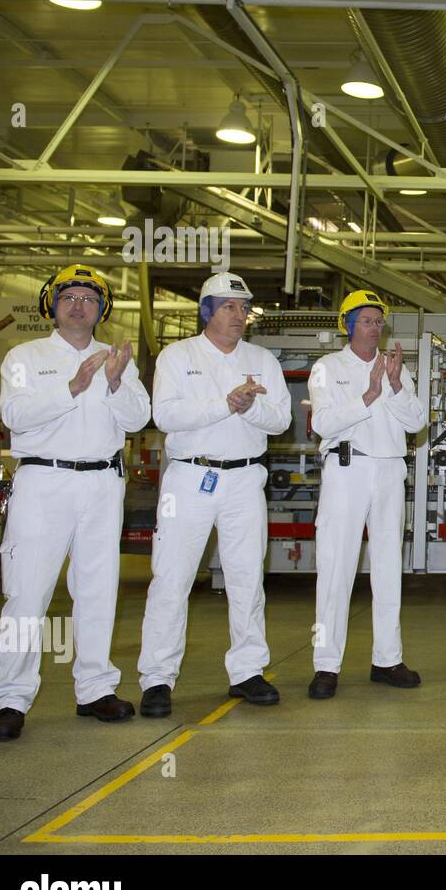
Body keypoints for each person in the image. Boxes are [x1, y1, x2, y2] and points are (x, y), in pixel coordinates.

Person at [0, 265, 150, 741]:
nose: (79, 305)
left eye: (89, 298)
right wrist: (73, 387)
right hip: (44, 482)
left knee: (98, 590)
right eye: (69, 297)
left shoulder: (116, 357)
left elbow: (140, 419)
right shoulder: (24, 355)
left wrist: (116, 384)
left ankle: (95, 689)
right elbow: (15, 415)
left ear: (102, 309)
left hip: (101, 484)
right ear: (51, 305)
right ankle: (11, 699)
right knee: (26, 594)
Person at [137, 272, 290, 716]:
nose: (239, 316)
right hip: (189, 478)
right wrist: (226, 404)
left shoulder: (263, 360)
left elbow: (280, 420)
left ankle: (247, 671)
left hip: (245, 480)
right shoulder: (176, 355)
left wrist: (251, 406)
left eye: (244, 308)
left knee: (246, 578)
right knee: (172, 577)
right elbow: (165, 415)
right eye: (228, 307)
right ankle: (157, 679)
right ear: (206, 311)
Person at [307, 290, 427, 699]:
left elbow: (416, 422)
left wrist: (393, 385)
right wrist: (369, 396)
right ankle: (326, 664)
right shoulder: (327, 367)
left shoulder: (394, 368)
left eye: (379, 321)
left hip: (391, 468)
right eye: (367, 321)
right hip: (347, 467)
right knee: (336, 566)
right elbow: (323, 422)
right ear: (348, 324)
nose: (375, 328)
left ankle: (387, 658)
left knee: (389, 565)